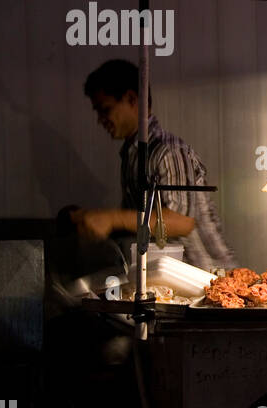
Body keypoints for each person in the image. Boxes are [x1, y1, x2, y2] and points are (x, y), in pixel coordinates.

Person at [69, 59, 235, 272]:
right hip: (173, 283)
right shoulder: (133, 155)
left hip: (207, 282)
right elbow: (139, 225)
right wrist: (89, 218)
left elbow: (181, 221)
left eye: (105, 109)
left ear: (131, 99)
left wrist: (111, 218)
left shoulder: (168, 150)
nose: (100, 120)